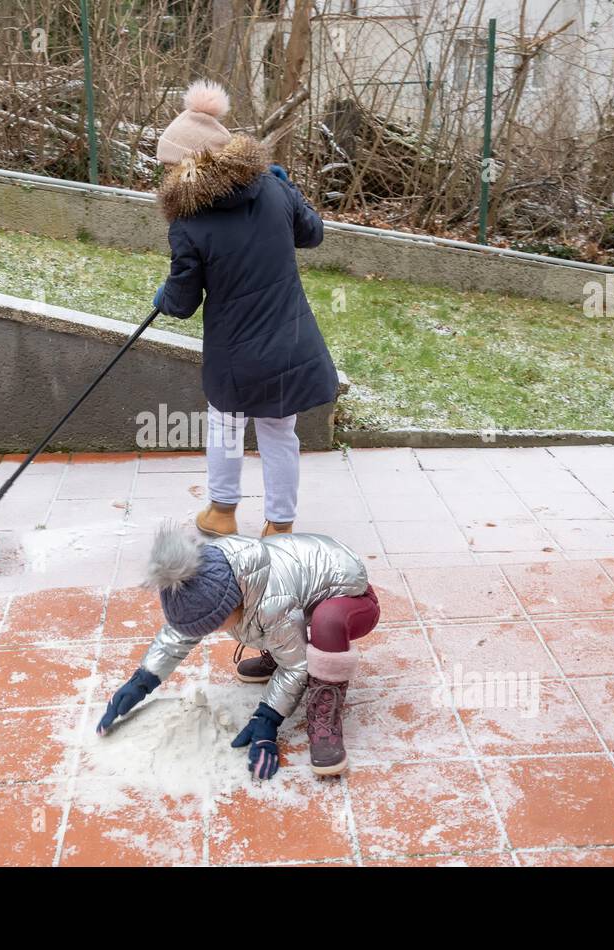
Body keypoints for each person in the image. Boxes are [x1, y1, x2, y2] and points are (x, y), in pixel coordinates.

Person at [152, 80, 338, 538]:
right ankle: (280, 526)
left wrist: (163, 294)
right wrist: (290, 190)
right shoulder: (272, 188)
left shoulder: (189, 223)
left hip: (234, 350)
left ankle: (221, 513)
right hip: (291, 340)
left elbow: (182, 302)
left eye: (171, 166)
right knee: (280, 432)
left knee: (223, 425)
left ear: (189, 165)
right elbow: (311, 234)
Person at [96, 523, 380, 779]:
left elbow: (296, 666)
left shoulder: (272, 602)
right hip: (296, 591)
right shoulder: (211, 574)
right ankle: (279, 652)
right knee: (277, 631)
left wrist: (267, 718)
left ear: (234, 602)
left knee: (324, 623)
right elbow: (184, 629)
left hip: (354, 598)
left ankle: (324, 713)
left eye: (215, 624)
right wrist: (142, 681)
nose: (212, 631)